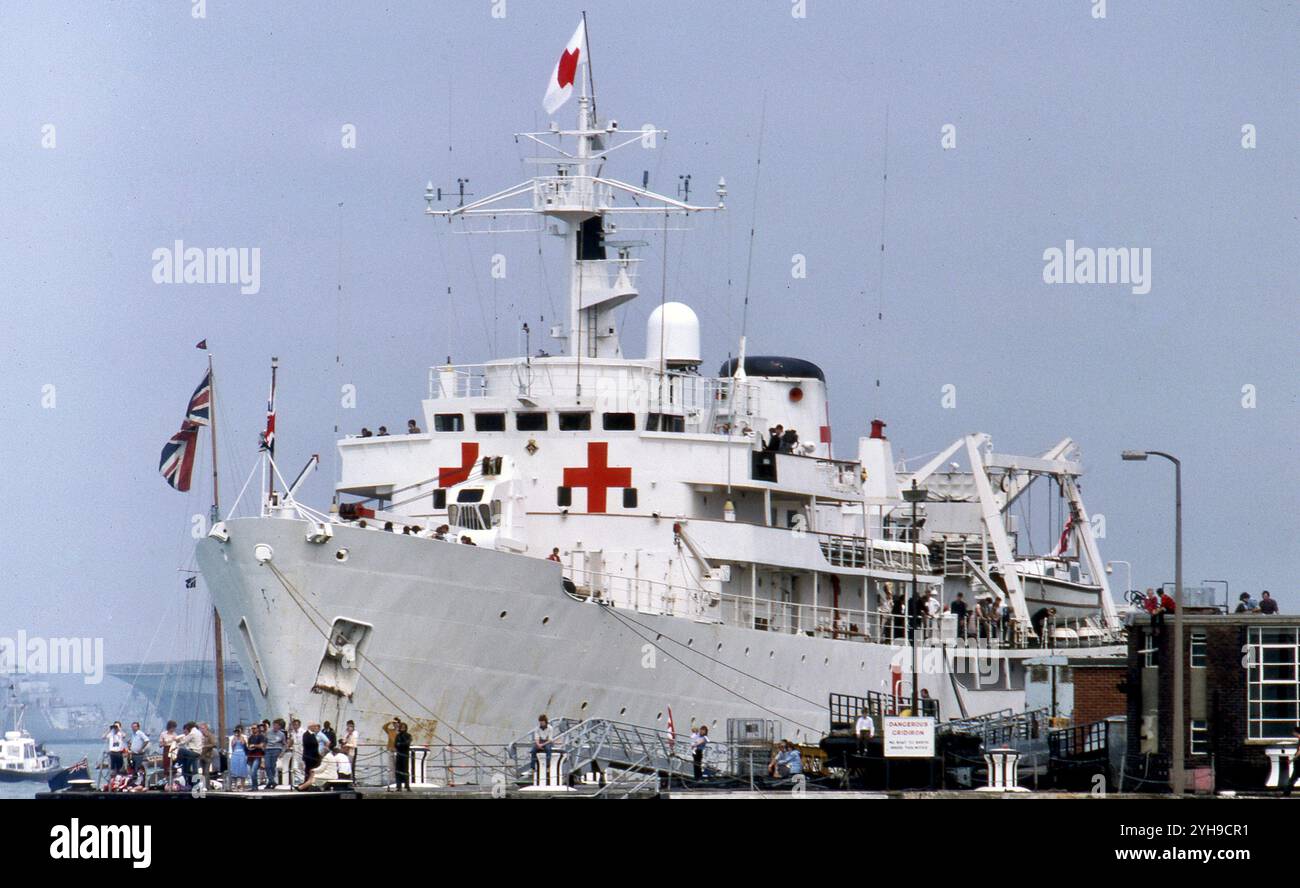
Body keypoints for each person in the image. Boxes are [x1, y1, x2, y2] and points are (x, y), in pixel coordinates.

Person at [177, 722, 203, 788]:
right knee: (195, 770)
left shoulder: (193, 733)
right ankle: (195, 784)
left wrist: (177, 742)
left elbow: (183, 741)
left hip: (193, 752)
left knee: (181, 750)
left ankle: (178, 763)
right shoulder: (199, 732)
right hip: (198, 753)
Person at [530, 714, 554, 778]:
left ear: (545, 722)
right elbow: (536, 737)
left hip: (547, 741)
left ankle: (548, 766)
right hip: (540, 741)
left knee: (548, 750)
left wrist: (542, 745)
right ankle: (532, 767)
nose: (541, 723)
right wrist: (538, 744)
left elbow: (550, 739)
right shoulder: (537, 728)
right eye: (540, 722)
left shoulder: (550, 728)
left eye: (542, 722)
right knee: (533, 751)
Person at [264, 719, 286, 789]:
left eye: (277, 725)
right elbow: (264, 741)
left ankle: (270, 782)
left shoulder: (282, 734)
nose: (275, 726)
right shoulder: (268, 732)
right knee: (267, 766)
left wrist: (282, 752)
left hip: (276, 749)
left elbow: (285, 744)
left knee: (272, 766)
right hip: (268, 749)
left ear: (280, 726)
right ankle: (272, 781)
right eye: (274, 725)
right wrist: (263, 748)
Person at [246, 722, 266, 789]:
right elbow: (248, 746)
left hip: (257, 756)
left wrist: (254, 745)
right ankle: (253, 786)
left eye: (254, 728)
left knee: (254, 771)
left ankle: (255, 786)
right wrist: (249, 747)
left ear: (257, 729)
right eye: (252, 728)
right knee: (250, 772)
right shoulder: (250, 737)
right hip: (250, 756)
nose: (253, 729)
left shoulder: (261, 736)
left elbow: (262, 745)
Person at [228, 725, 249, 791]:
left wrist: (240, 736)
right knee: (235, 770)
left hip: (242, 753)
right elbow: (232, 746)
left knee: (242, 769)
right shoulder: (232, 737)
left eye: (238, 731)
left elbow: (244, 744)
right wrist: (235, 737)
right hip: (235, 754)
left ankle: (242, 786)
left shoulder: (244, 737)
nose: (237, 732)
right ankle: (236, 786)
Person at [394, 721, 412, 791]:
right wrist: (401, 744)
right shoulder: (397, 736)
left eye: (403, 727)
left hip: (405, 754)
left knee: (405, 770)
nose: (402, 729)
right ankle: (398, 786)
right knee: (398, 770)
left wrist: (400, 744)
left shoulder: (408, 735)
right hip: (399, 754)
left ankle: (407, 785)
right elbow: (395, 744)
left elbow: (407, 743)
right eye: (401, 727)